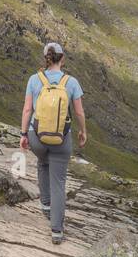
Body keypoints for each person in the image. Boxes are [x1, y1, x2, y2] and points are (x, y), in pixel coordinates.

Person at [19, 42, 87, 244]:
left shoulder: (34, 79)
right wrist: (83, 131)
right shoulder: (71, 82)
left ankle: (45, 205)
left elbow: (27, 110)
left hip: (37, 136)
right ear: (62, 58)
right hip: (60, 139)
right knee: (59, 181)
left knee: (42, 162)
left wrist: (23, 134)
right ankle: (56, 231)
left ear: (45, 58)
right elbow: (79, 112)